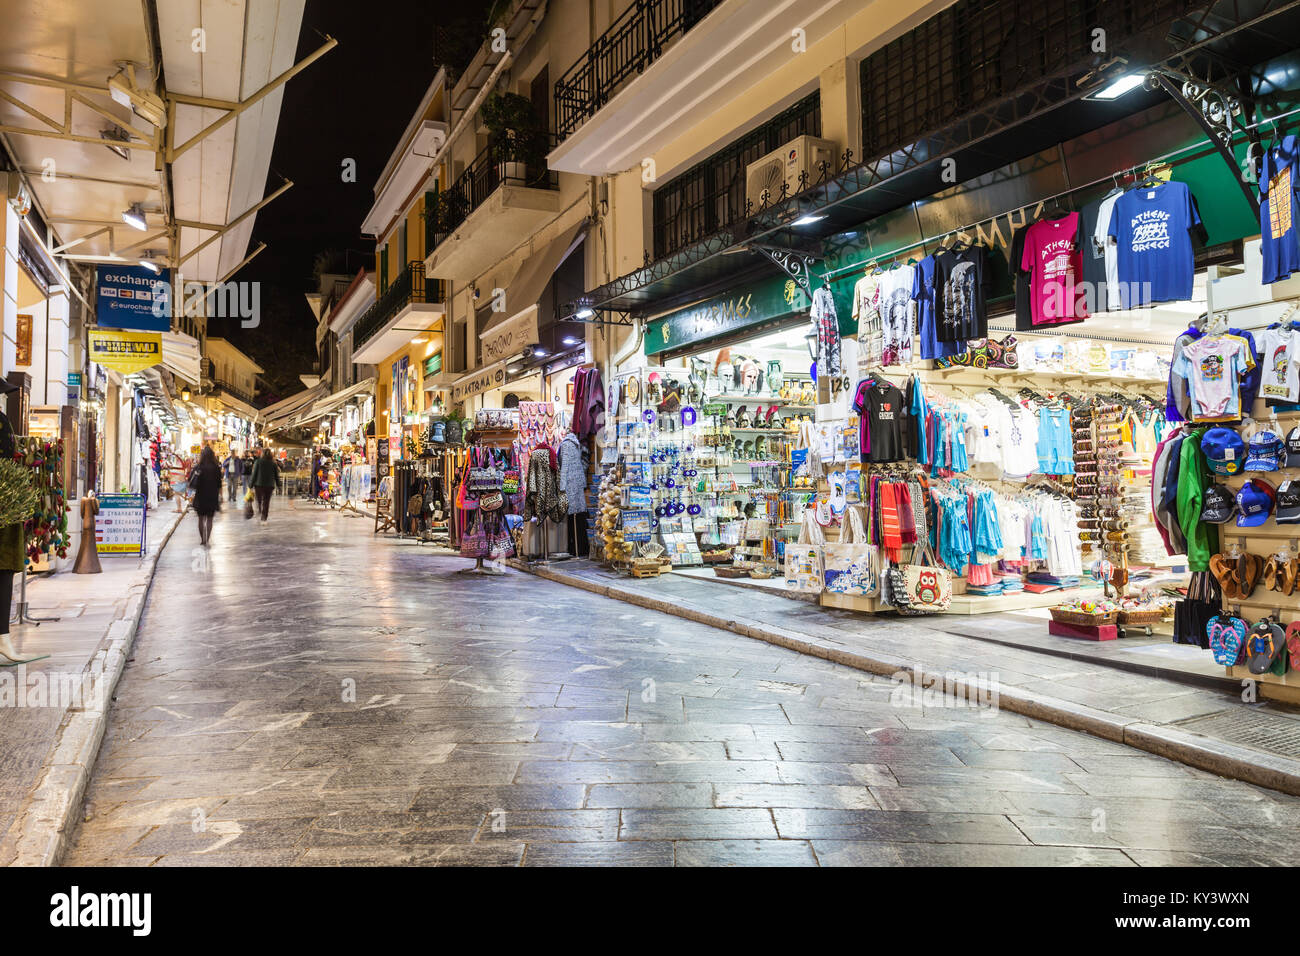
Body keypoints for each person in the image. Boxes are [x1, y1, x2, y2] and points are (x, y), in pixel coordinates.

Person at [188, 446, 223, 547]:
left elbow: (191, 481)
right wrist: (221, 496)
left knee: (201, 518)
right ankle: (207, 539)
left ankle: (202, 539)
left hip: (200, 495)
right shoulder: (216, 467)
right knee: (209, 519)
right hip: (212, 495)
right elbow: (219, 484)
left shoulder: (198, 467)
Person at [249, 447, 278, 522]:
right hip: (269, 485)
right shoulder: (273, 463)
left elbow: (254, 474)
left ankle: (260, 509)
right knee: (266, 501)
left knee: (259, 500)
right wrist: (278, 484)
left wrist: (250, 484)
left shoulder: (258, 462)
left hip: (259, 485)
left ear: (262, 453)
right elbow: (276, 475)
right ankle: (264, 517)